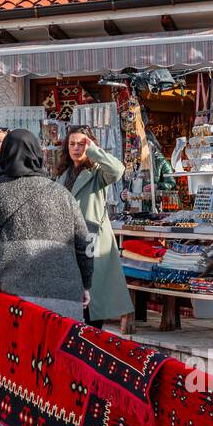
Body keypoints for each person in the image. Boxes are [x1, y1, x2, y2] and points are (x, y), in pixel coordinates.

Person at [0, 129, 93, 319]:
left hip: (14, 303)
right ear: (38, 155)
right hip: (66, 299)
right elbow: (85, 244)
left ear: (5, 154)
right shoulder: (62, 194)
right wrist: (85, 284)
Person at [59, 126, 133, 324]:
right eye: (72, 143)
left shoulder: (97, 173)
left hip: (92, 242)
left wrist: (93, 150)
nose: (76, 148)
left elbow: (118, 169)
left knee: (92, 306)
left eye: (81, 143)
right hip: (67, 243)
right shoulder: (63, 175)